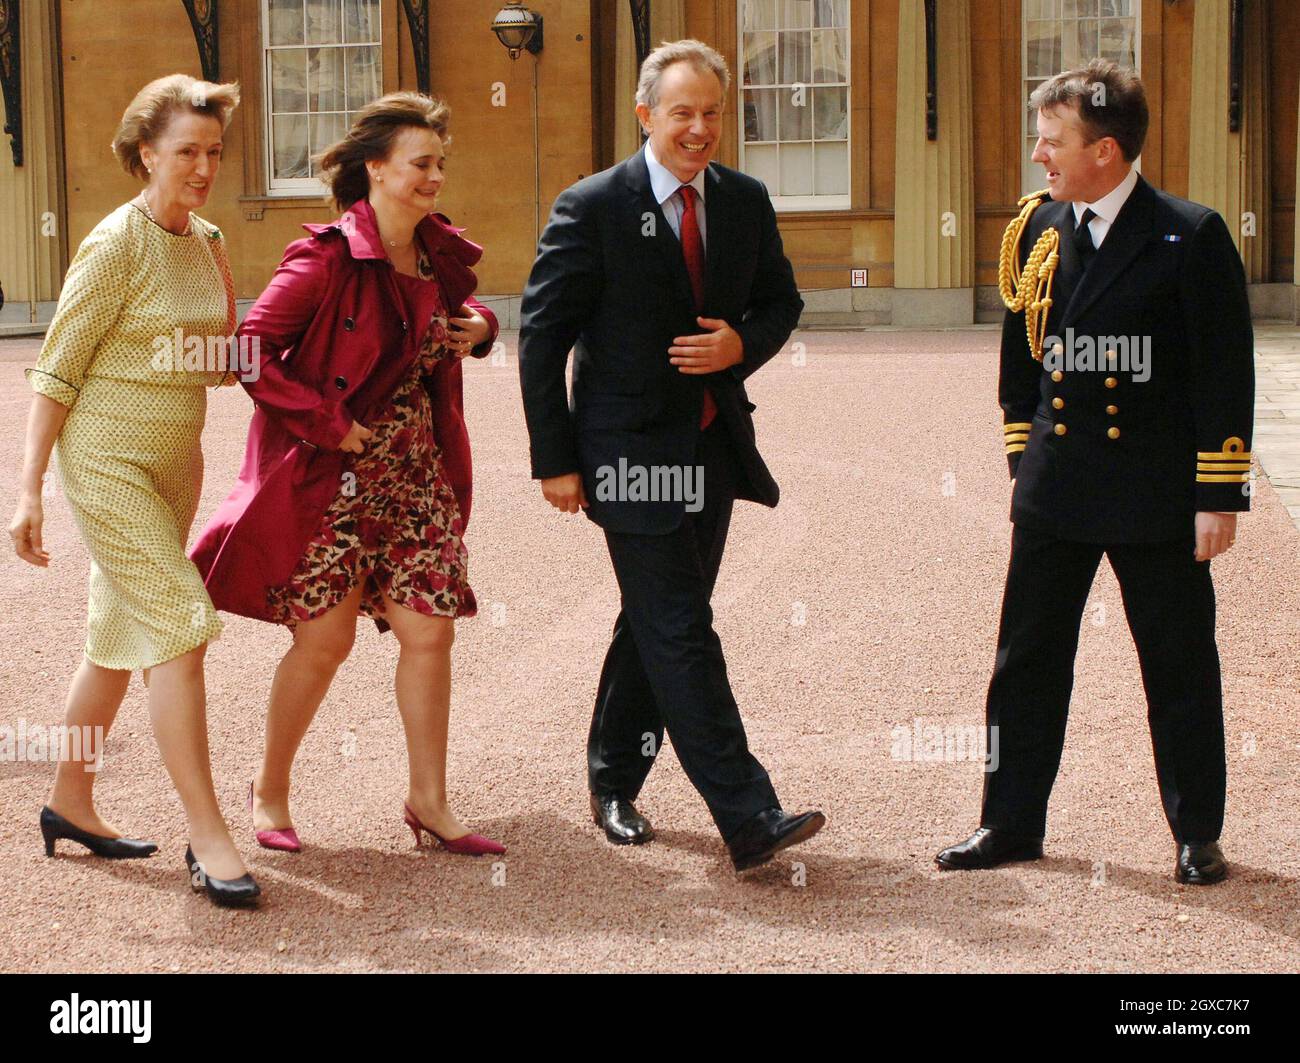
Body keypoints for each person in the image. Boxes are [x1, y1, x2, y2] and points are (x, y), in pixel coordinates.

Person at [937, 60, 1255, 885]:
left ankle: (1196, 831)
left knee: (1179, 662)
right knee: (1025, 662)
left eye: (1053, 142)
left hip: (1153, 492)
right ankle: (1008, 822)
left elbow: (1225, 375)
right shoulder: (1039, 230)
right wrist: (1023, 460)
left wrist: (1218, 495)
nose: (1040, 157)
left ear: (1105, 151)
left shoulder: (1191, 232)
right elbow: (1020, 364)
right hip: (1058, 485)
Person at [518, 40, 824, 873]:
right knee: (683, 626)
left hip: (710, 448)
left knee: (655, 620)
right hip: (624, 453)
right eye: (682, 112)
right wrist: (556, 458)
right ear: (646, 114)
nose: (699, 128)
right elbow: (541, 338)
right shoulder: (590, 206)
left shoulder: (745, 200)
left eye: (713, 112)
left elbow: (781, 300)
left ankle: (612, 778)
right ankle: (749, 812)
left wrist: (739, 346)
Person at [191, 92, 503, 857]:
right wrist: (330, 423)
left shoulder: (436, 254)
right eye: (421, 164)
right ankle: (271, 789)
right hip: (335, 481)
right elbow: (247, 352)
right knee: (325, 642)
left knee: (429, 632)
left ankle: (429, 800)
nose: (435, 177)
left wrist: (482, 328)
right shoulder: (325, 258)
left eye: (440, 164)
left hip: (418, 479)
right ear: (376, 168)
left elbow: (458, 319)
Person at [8, 74, 261, 907]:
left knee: (118, 633)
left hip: (173, 465)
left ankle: (69, 801)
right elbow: (56, 368)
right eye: (186, 150)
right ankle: (209, 834)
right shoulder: (114, 243)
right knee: (181, 625)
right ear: (146, 152)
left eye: (214, 152)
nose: (202, 166)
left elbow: (221, 357)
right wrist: (30, 488)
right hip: (106, 462)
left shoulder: (211, 238)